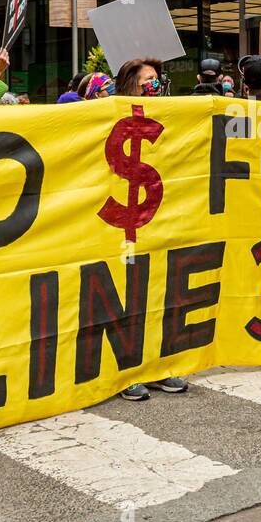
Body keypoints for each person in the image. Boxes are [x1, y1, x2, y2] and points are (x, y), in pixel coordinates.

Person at [110, 57, 188, 400]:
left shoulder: (168, 120)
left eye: (158, 81)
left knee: (159, 294)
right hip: (121, 228)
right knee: (128, 297)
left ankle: (157, 367)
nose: (156, 87)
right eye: (148, 82)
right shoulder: (109, 115)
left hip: (159, 224)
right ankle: (126, 372)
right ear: (130, 87)